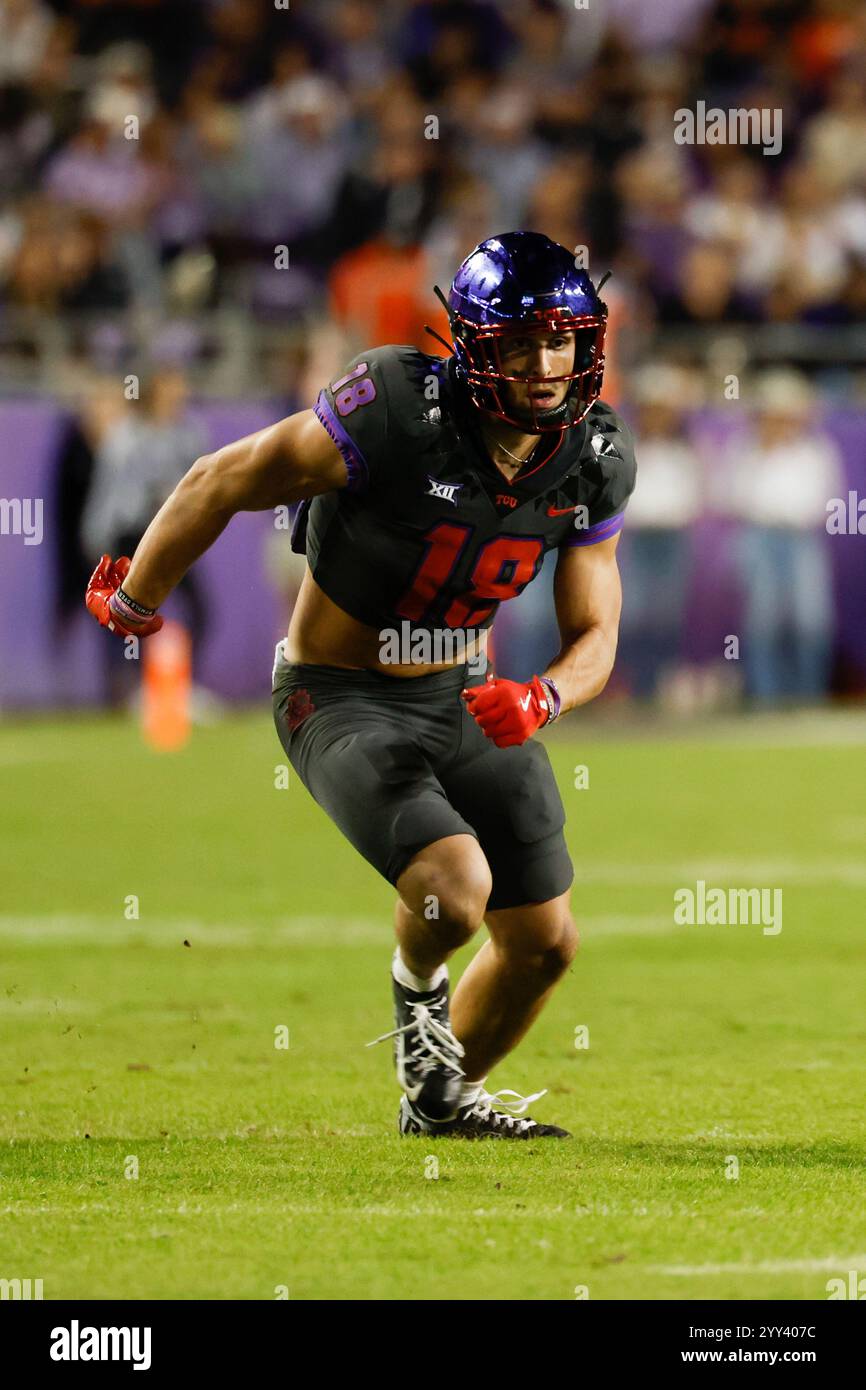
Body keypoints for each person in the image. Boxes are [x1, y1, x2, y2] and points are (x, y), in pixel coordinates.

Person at [84, 232, 637, 1139]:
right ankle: (419, 992)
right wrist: (138, 595)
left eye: (563, 339)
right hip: (337, 692)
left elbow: (597, 631)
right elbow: (221, 478)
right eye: (520, 341)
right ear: (472, 343)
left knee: (545, 945)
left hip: (463, 695)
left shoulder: (594, 454)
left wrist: (546, 697)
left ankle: (440, 1100)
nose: (545, 365)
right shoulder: (394, 411)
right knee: (455, 889)